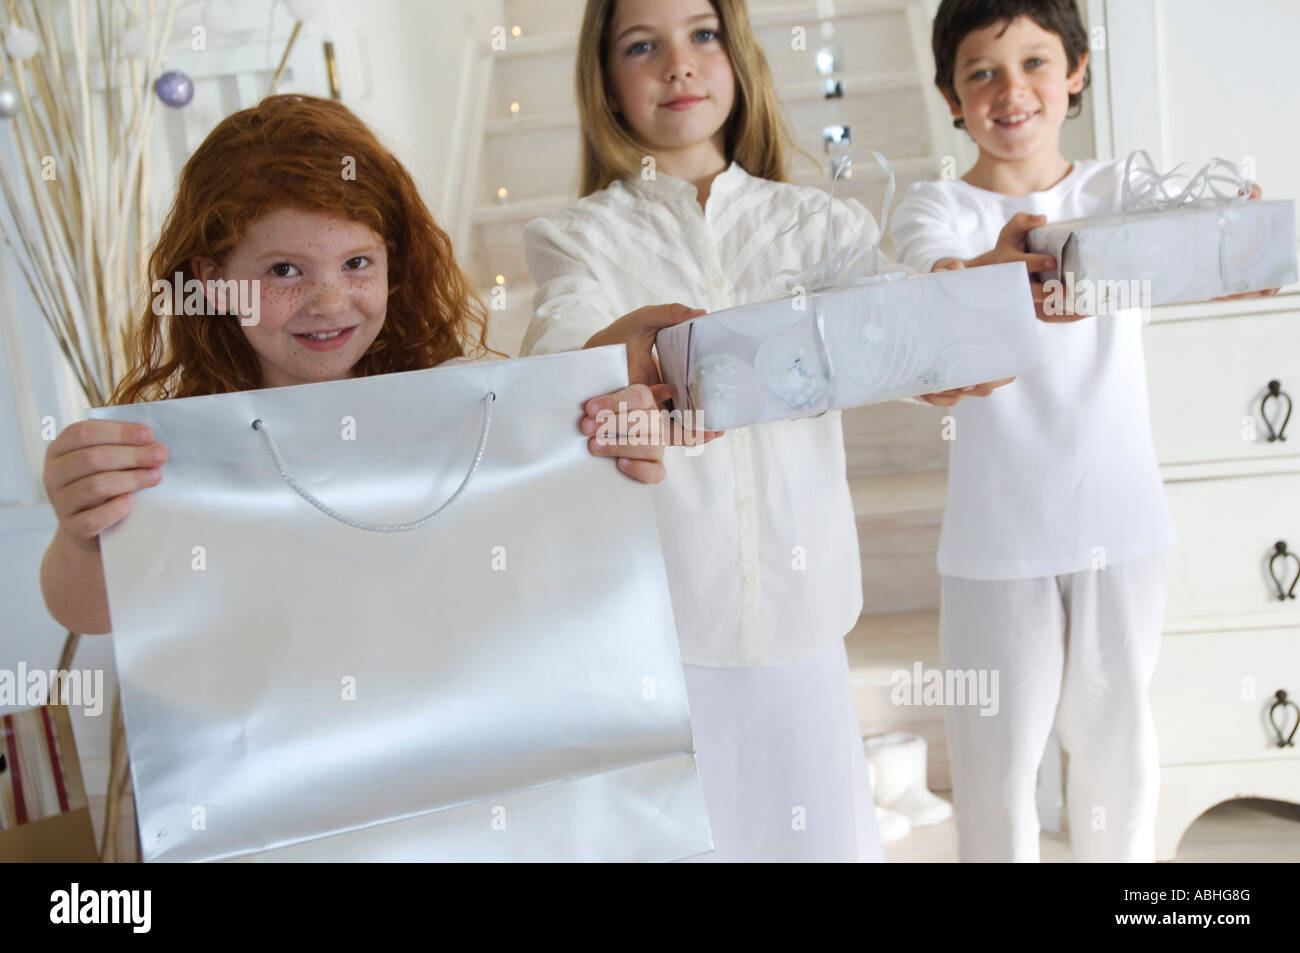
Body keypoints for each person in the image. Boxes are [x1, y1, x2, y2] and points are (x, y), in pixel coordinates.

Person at [40, 94, 694, 636]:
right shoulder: (177, 453)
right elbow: (91, 615)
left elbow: (556, 547)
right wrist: (80, 533)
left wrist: (611, 444)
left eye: (356, 263)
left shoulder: (458, 407)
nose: (328, 302)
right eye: (284, 270)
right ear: (213, 281)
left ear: (390, 260)